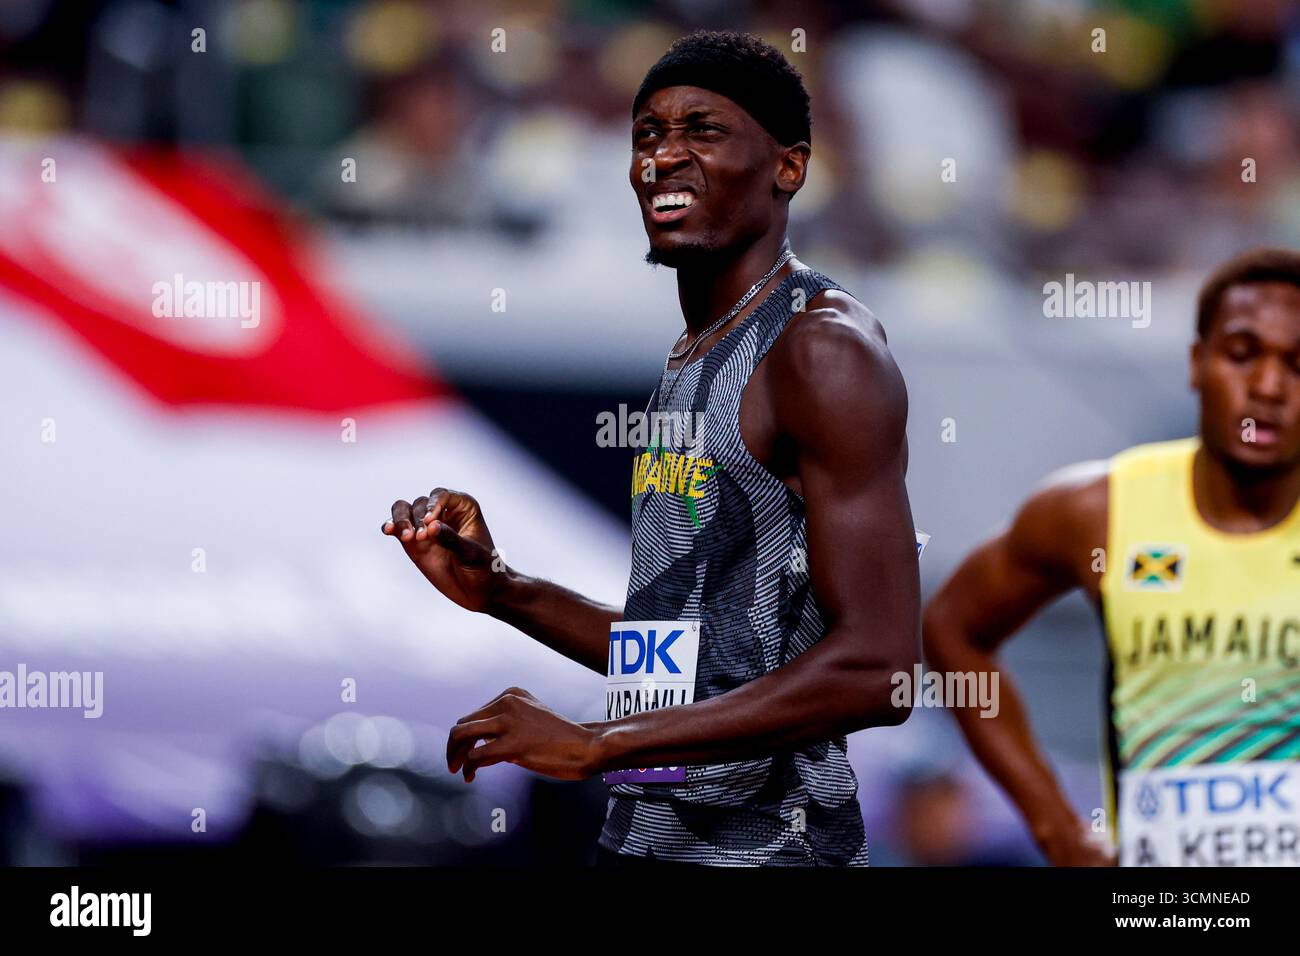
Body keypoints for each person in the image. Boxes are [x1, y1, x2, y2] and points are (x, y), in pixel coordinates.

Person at [383, 30, 920, 866]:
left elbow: (880, 671)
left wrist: (601, 743)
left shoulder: (822, 351)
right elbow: (696, 660)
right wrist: (506, 590)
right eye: (647, 135)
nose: (663, 157)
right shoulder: (694, 352)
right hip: (649, 840)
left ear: (789, 166)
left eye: (701, 131)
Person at [924, 248, 1300, 866]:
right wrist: (1057, 831)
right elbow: (951, 630)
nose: (1267, 387)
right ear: (1196, 364)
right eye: (1241, 354)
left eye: (1296, 364)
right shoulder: (1099, 512)